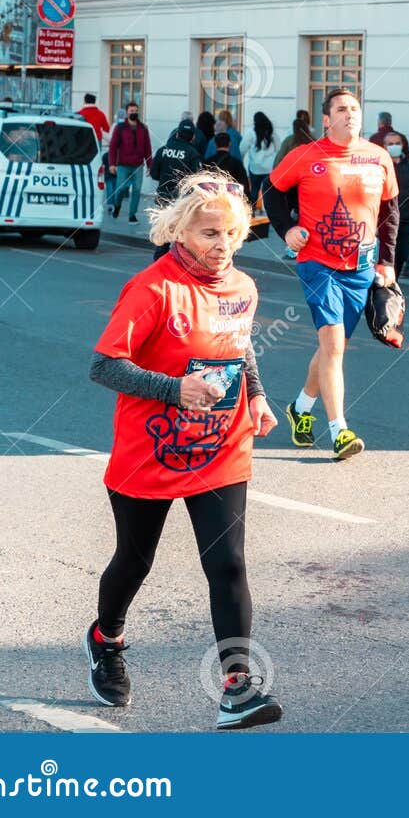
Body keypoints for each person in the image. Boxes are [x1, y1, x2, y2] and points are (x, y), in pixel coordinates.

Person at [85, 170, 283, 730]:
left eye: (231, 234)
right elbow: (103, 366)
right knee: (134, 561)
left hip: (221, 447)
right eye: (209, 234)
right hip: (151, 450)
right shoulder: (153, 289)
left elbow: (240, 349)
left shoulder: (242, 288)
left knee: (228, 563)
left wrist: (257, 396)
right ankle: (106, 638)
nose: (222, 246)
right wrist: (175, 390)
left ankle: (237, 688)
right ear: (179, 231)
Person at [265, 88, 399, 460]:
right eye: (341, 109)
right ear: (327, 119)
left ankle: (300, 409)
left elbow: (390, 212)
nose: (350, 113)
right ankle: (339, 431)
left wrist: (387, 261)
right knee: (334, 345)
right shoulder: (306, 155)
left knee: (331, 348)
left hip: (361, 267)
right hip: (318, 262)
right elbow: (271, 191)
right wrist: (287, 229)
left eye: (354, 108)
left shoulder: (378, 157)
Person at [106, 100, 154, 221]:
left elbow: (147, 148)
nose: (134, 113)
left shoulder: (143, 128)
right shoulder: (120, 128)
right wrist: (112, 164)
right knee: (121, 188)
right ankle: (117, 205)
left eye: (136, 111)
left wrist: (150, 166)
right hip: (123, 164)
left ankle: (132, 215)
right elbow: (113, 147)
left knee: (137, 190)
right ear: (127, 113)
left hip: (138, 165)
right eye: (131, 111)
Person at [384, 131, 409, 278]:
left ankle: (394, 281)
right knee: (386, 256)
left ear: (402, 145)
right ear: (385, 147)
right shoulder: (380, 166)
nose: (394, 146)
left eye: (397, 143)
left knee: (402, 254)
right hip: (384, 221)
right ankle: (386, 284)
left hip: (404, 218)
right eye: (391, 144)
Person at [151, 118, 204, 203]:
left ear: (177, 134)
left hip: (162, 197)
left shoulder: (162, 150)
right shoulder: (193, 154)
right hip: (181, 200)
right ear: (193, 137)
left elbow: (153, 174)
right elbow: (197, 178)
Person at [243, 112, 277, 203]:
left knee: (254, 190)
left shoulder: (251, 133)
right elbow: (278, 148)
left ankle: (252, 208)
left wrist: (240, 161)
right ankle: (267, 209)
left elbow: (242, 148)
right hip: (269, 168)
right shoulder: (271, 132)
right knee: (268, 191)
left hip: (255, 168)